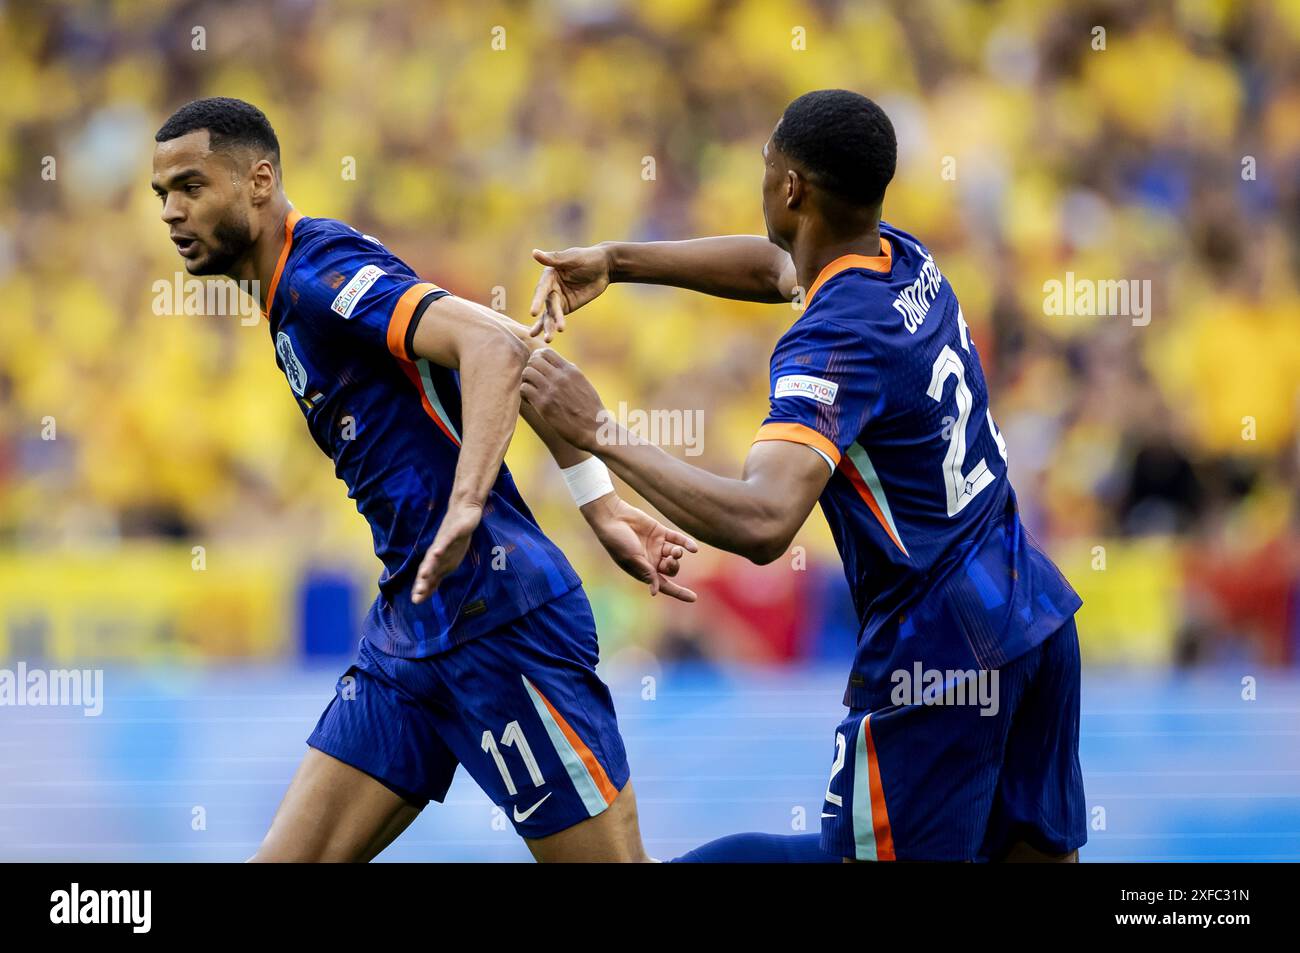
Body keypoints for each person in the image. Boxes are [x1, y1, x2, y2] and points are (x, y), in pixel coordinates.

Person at [523, 89, 1087, 862]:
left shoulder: (834, 339)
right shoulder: (902, 258)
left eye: (766, 166)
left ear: (791, 188)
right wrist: (620, 262)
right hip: (1032, 611)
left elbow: (763, 520)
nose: (761, 181)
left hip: (940, 654)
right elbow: (778, 269)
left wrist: (598, 430)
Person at [151, 96, 697, 862]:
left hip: (502, 623)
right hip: (410, 629)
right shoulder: (295, 291)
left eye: (190, 186)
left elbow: (497, 353)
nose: (172, 212)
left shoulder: (318, 276)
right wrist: (597, 504)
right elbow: (514, 342)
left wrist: (471, 503)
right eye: (161, 195)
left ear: (259, 181)